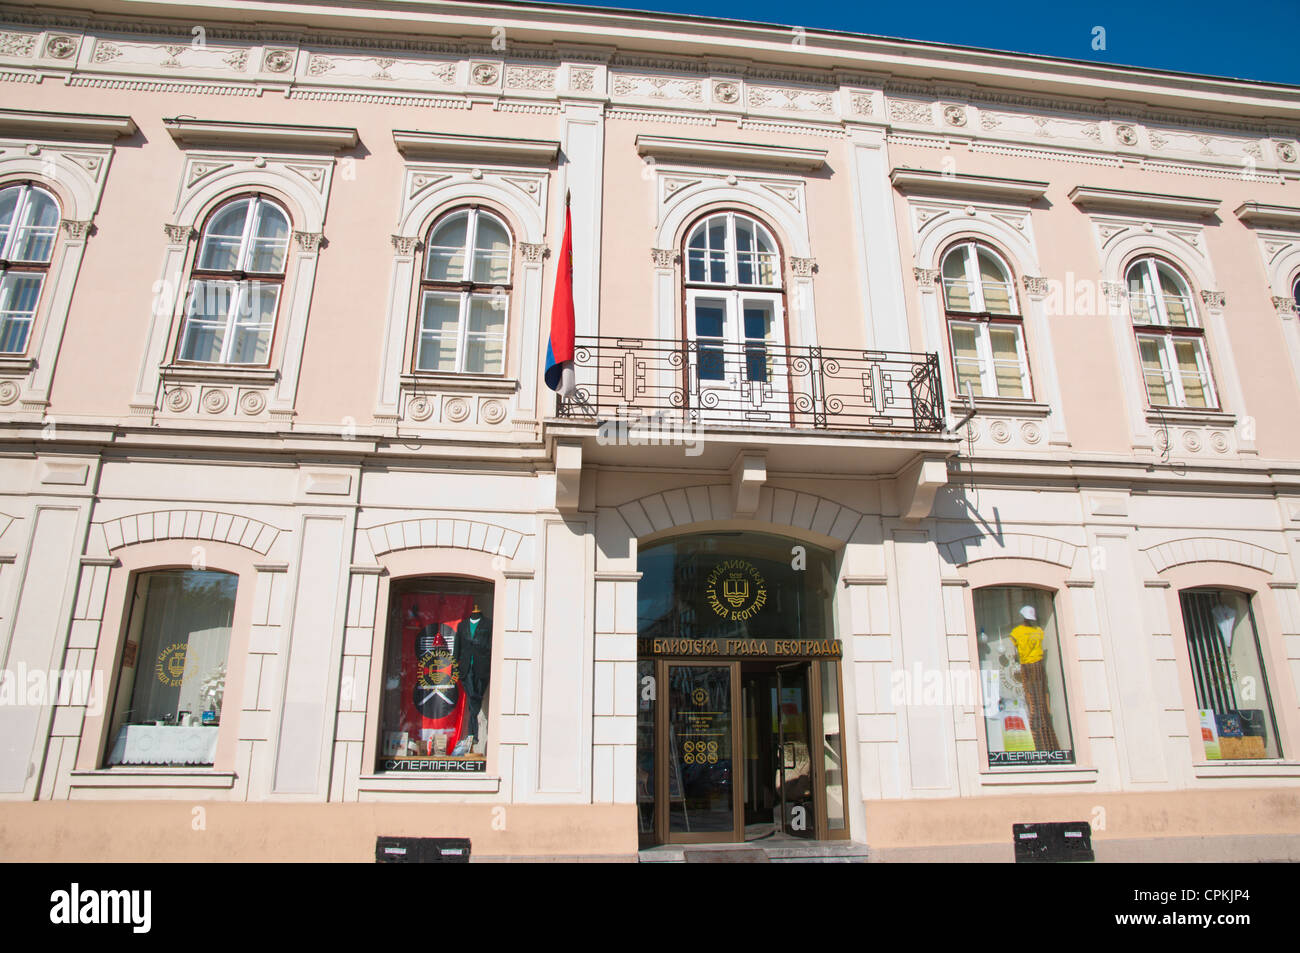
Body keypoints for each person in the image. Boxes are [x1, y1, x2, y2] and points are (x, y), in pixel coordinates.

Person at [1008, 605, 1059, 751]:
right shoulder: (1038, 631)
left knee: (1035, 700)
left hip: (1029, 666)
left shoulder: (1018, 632)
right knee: (1038, 699)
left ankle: (1040, 736)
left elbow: (1015, 648)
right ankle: (1040, 736)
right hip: (1036, 665)